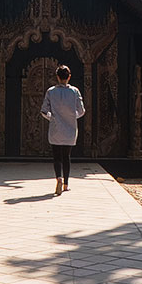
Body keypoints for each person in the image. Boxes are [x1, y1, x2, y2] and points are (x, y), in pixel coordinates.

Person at [40, 64, 85, 196]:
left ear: (57, 77)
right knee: (66, 156)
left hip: (55, 128)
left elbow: (44, 110)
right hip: (70, 129)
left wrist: (52, 118)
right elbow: (81, 111)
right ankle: (66, 184)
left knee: (56, 156)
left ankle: (58, 178)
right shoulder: (75, 91)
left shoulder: (51, 91)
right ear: (69, 77)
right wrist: (72, 116)